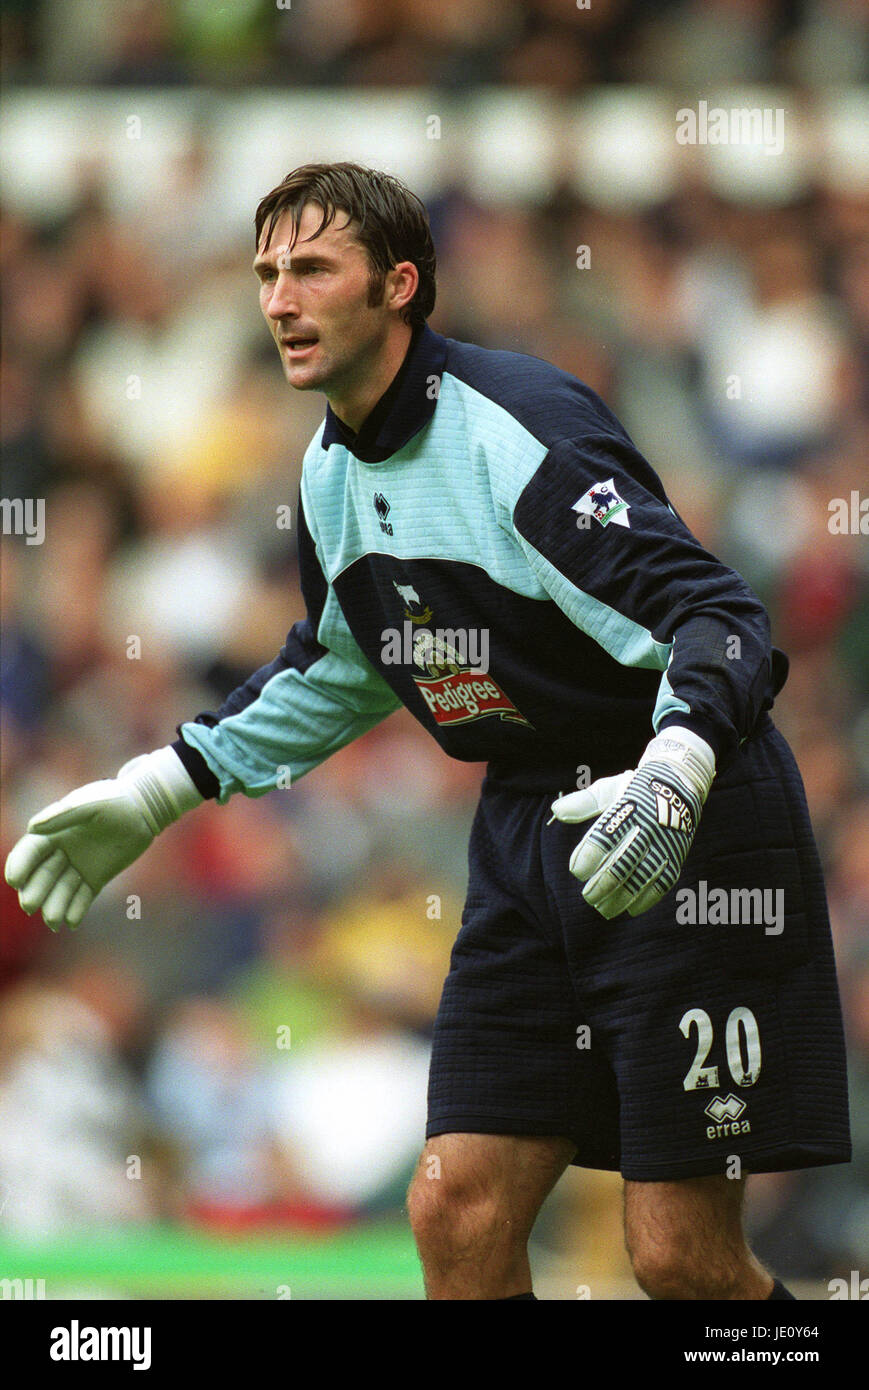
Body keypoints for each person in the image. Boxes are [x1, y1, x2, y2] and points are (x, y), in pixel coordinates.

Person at [5, 162, 851, 1301]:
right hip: (525, 829)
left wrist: (676, 768)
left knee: (679, 1260)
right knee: (452, 1209)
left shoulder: (518, 430)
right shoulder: (324, 475)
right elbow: (343, 666)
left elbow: (717, 613)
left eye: (311, 268)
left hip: (682, 823)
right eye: (265, 273)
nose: (279, 300)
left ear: (399, 285)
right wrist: (165, 783)